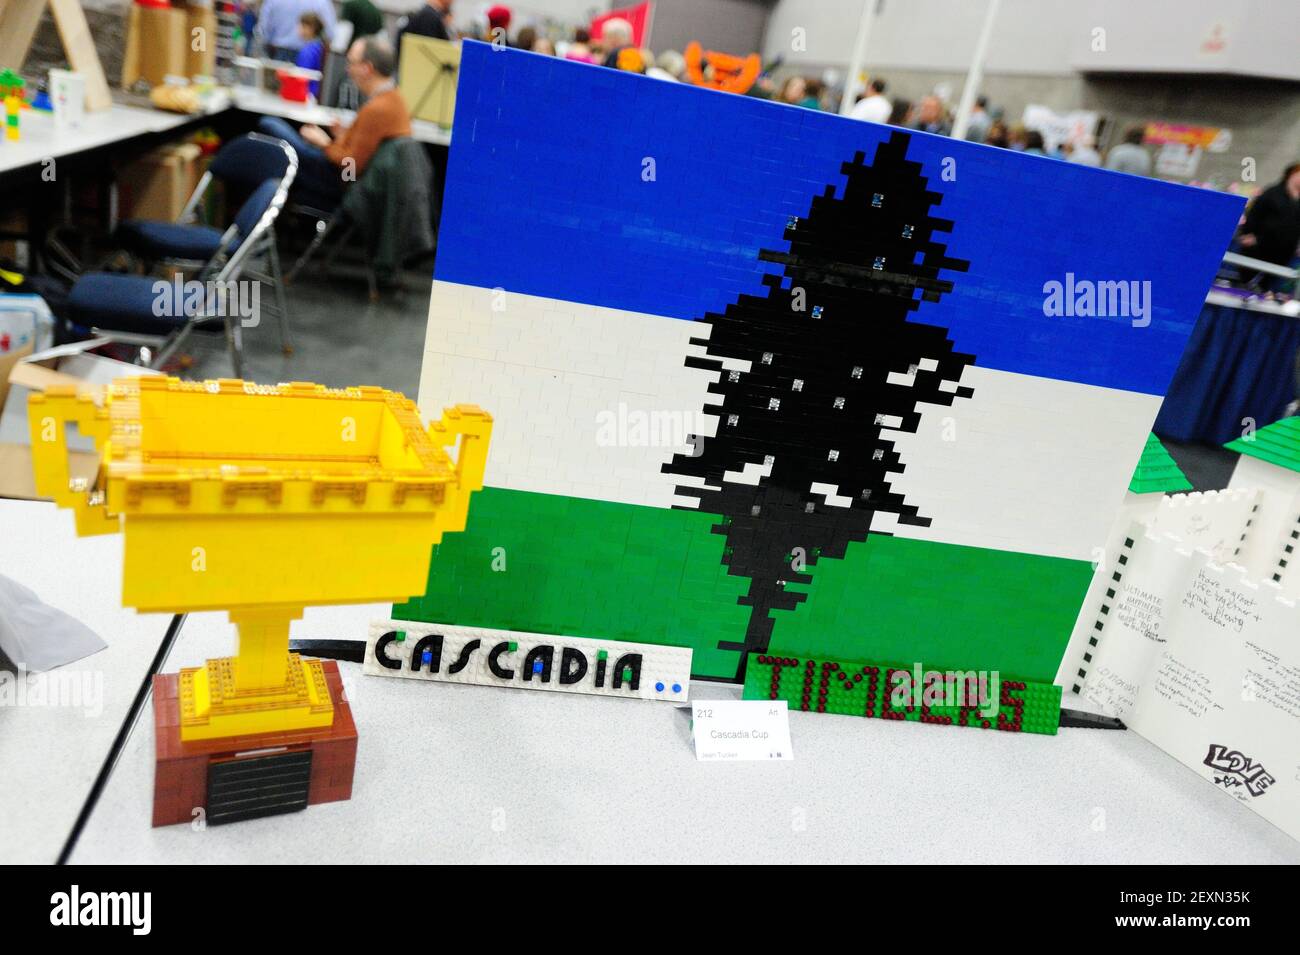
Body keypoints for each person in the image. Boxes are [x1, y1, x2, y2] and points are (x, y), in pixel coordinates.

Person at [258, 36, 411, 203]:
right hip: (353, 181)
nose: (348, 69)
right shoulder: (395, 101)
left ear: (366, 68)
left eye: (351, 62)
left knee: (269, 124)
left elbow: (350, 170)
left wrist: (325, 144)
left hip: (341, 186)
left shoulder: (376, 110)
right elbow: (359, 154)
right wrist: (342, 137)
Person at [1237, 163, 1300, 269]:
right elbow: (1254, 214)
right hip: (1259, 248)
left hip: (1285, 253)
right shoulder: (1273, 193)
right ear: (1291, 175)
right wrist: (1247, 233)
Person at [256, 0, 336, 61]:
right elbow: (330, 33)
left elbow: (263, 28)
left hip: (277, 52)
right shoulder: (322, 2)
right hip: (309, 54)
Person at [294, 12, 326, 99]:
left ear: (311, 29)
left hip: (307, 93)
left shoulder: (308, 50)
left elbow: (301, 75)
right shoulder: (319, 46)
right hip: (316, 92)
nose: (299, 29)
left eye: (302, 26)